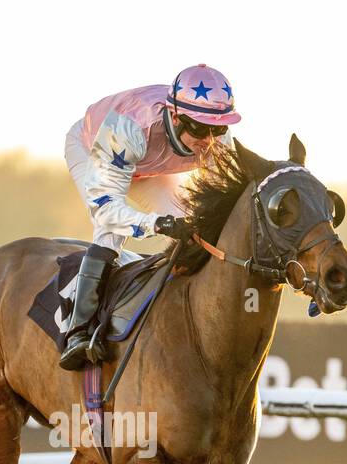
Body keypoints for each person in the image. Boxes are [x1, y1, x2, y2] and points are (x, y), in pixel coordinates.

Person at [58, 64, 241, 370]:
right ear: (173, 115)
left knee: (194, 224)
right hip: (96, 147)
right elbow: (106, 207)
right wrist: (156, 223)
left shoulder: (217, 139)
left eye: (217, 129)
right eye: (197, 128)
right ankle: (78, 329)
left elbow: (227, 202)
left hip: (152, 166)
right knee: (110, 230)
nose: (208, 140)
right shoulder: (129, 127)